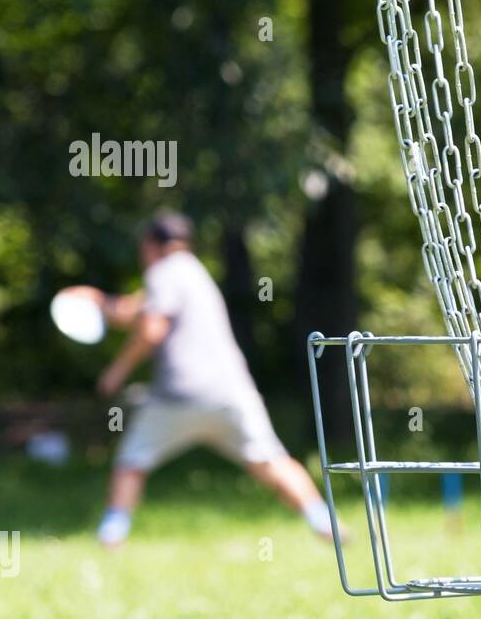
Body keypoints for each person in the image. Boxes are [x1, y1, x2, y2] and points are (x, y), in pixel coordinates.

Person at [87, 210, 336, 547]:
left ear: (151, 244)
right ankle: (324, 522)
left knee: (131, 463)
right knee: (271, 460)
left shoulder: (162, 273)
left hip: (178, 395)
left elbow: (151, 327)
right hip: (231, 392)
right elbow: (134, 310)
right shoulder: (194, 272)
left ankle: (111, 535)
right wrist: (95, 301)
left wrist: (115, 372)